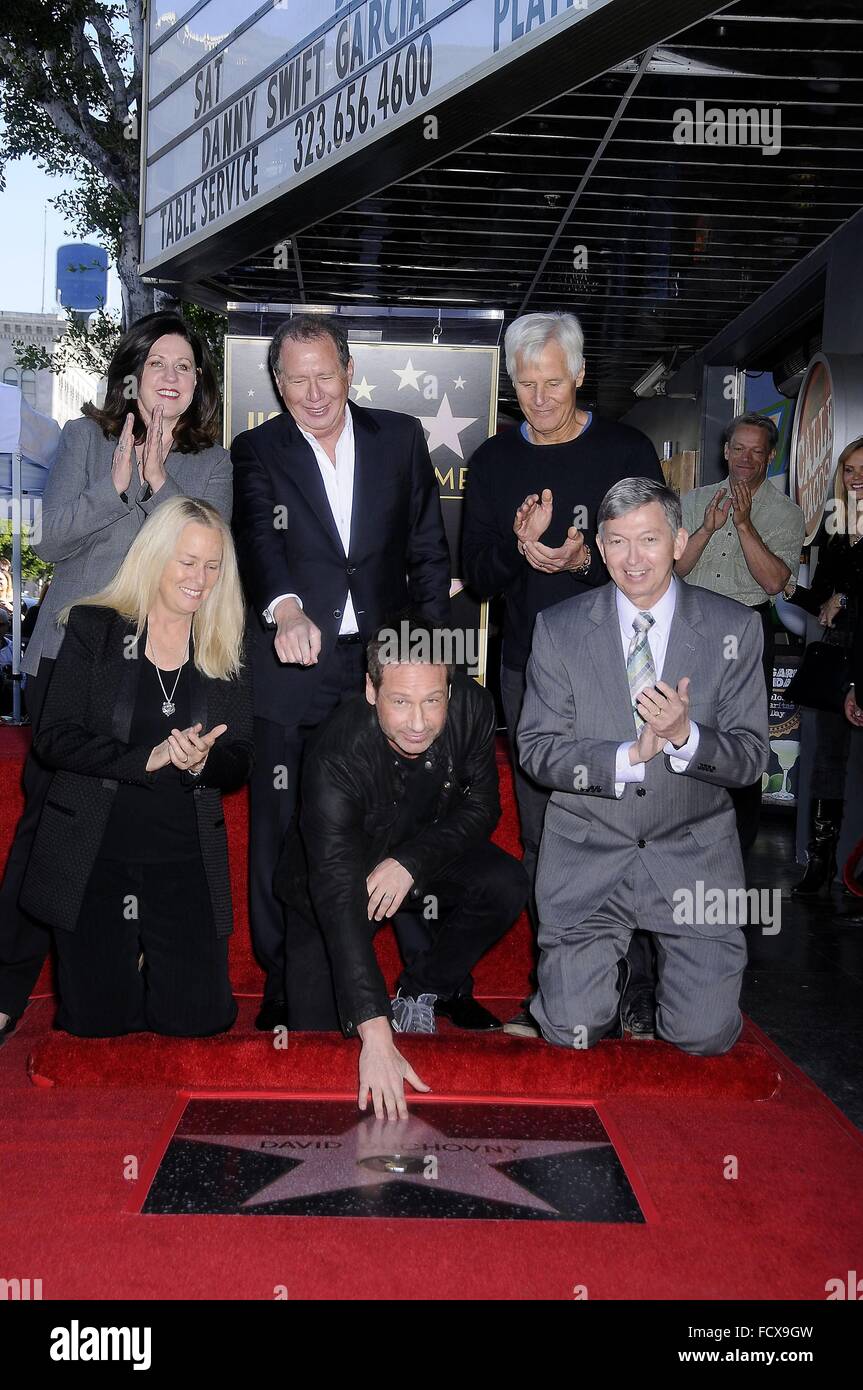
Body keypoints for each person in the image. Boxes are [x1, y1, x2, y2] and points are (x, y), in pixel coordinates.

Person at [0, 310, 231, 1048]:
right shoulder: (83, 439)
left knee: (151, 812)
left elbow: (208, 556)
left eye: (185, 367)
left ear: (199, 387)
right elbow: (49, 540)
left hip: (168, 673)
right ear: (130, 374)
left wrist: (161, 484)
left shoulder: (210, 466)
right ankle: (7, 988)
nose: (170, 376)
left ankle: (140, 958)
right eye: (157, 362)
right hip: (71, 662)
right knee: (54, 828)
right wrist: (119, 486)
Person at [231, 314, 451, 1031]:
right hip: (293, 666)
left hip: (382, 668)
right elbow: (258, 537)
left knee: (397, 814)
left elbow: (426, 549)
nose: (313, 391)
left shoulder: (400, 439)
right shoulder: (257, 449)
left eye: (324, 373)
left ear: (349, 370)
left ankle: (423, 976)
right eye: (295, 379)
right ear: (276, 383)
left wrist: (425, 652)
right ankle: (284, 982)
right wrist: (285, 609)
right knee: (280, 823)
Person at [461, 310, 665, 1040]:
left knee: (627, 831)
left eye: (553, 381)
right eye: (526, 383)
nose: (540, 397)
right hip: (531, 677)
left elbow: (652, 571)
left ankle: (638, 996)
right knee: (547, 839)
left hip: (623, 673)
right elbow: (475, 576)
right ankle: (558, 997)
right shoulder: (491, 462)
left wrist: (582, 562)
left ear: (579, 375)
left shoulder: (625, 448)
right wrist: (520, 553)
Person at [518, 477, 769, 1053]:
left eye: (649, 540)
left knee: (702, 1038)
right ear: (600, 548)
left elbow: (752, 758)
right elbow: (536, 749)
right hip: (589, 851)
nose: (634, 559)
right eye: (618, 542)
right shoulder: (557, 630)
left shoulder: (735, 629)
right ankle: (608, 980)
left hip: (692, 851)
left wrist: (686, 736)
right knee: (572, 1028)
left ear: (679, 541)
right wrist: (626, 757)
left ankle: (664, 988)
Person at [274, 617, 528, 1120]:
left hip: (421, 857)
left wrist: (410, 863)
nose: (419, 722)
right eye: (401, 701)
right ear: (371, 690)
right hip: (334, 883)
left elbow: (482, 810)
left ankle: (422, 988)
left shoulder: (473, 708)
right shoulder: (335, 755)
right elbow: (338, 895)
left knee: (504, 883)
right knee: (318, 1041)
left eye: (433, 700)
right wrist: (376, 1032)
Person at [18, 497, 252, 1037]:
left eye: (213, 565)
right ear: (154, 556)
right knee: (97, 1026)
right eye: (187, 561)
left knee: (199, 1024)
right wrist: (141, 758)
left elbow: (241, 759)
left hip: (184, 860)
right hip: (95, 857)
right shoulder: (93, 627)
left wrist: (203, 763)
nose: (201, 578)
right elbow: (51, 738)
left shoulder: (226, 643)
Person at [676, 412, 805, 852]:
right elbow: (674, 571)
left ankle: (737, 846)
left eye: (755, 451)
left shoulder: (786, 513)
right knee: (682, 727)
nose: (744, 459)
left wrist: (745, 524)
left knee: (740, 739)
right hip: (690, 628)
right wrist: (708, 529)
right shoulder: (693, 502)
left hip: (748, 632)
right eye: (737, 449)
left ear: (771, 455)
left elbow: (773, 583)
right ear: (724, 452)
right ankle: (681, 834)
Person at [787, 439, 863, 895]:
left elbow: (847, 599)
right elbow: (823, 602)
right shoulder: (836, 531)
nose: (857, 477)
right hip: (837, 659)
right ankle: (820, 862)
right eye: (850, 469)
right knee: (827, 764)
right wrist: (787, 589)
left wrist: (847, 598)